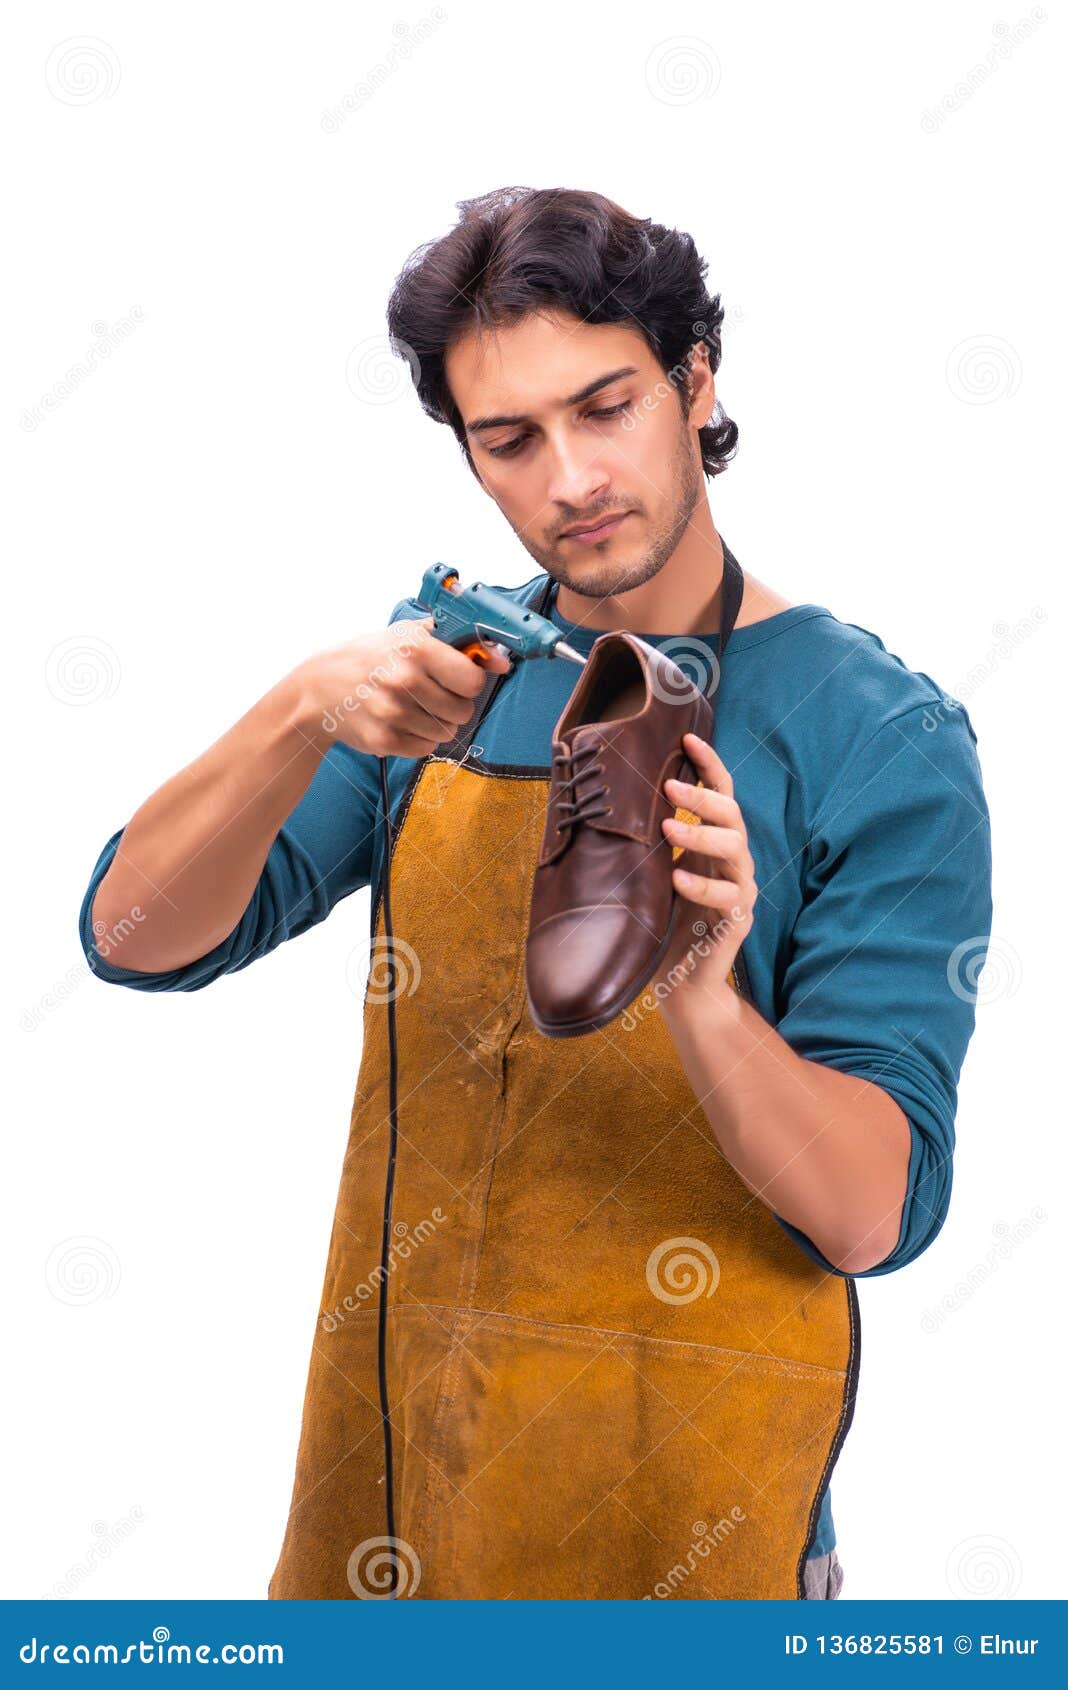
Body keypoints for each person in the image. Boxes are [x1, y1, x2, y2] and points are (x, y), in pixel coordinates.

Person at [80, 187, 992, 1601]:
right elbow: (132, 939)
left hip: (692, 1537)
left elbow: (870, 1213)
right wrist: (300, 711)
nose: (570, 476)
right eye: (510, 439)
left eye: (606, 405)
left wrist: (700, 987)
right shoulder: (448, 672)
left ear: (696, 385)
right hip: (388, 1513)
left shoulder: (875, 734)